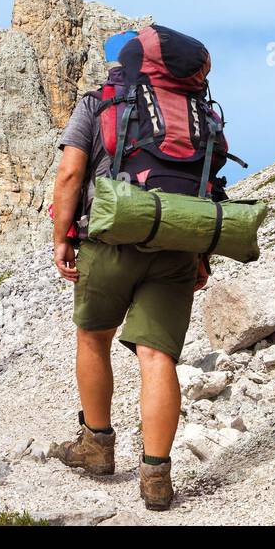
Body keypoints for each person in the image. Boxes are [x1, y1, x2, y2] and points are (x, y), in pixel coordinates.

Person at [49, 26, 225, 512]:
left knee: (93, 336)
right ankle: (156, 478)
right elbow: (211, 183)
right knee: (157, 356)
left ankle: (97, 446)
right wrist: (200, 254)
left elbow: (69, 173)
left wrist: (62, 237)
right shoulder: (201, 113)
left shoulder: (100, 102)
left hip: (111, 236)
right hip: (177, 243)